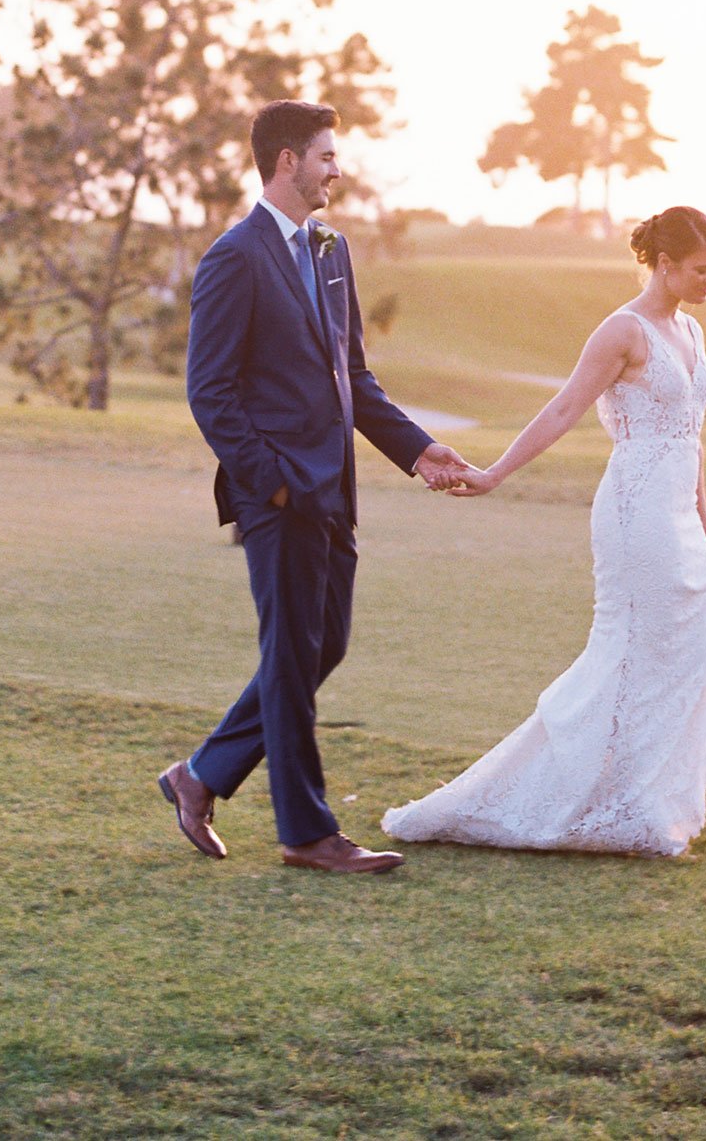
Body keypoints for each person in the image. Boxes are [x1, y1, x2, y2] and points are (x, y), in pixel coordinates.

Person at [157, 99, 474, 874]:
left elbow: (353, 378)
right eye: (327, 155)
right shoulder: (235, 256)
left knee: (320, 645)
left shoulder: (332, 250)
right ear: (287, 161)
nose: (338, 168)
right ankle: (306, 831)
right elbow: (211, 392)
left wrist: (419, 448)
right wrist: (270, 486)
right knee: (294, 656)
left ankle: (198, 776)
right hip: (280, 498)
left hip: (336, 491)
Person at [384, 205, 706, 857]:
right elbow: (565, 406)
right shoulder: (621, 332)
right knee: (625, 652)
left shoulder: (693, 332)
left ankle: (643, 797)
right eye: (702, 269)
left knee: (684, 648)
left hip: (680, 513)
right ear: (664, 264)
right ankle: (557, 795)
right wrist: (495, 473)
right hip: (637, 513)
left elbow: (692, 440)